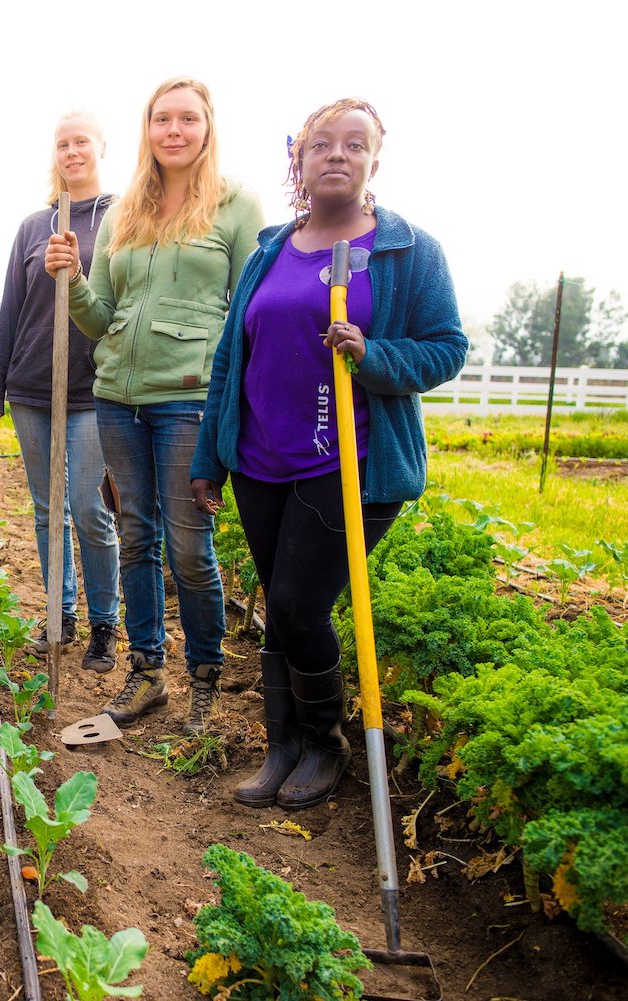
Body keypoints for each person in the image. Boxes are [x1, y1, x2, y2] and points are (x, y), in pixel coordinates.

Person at [191, 99, 467, 809]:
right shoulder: (269, 249)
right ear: (300, 160)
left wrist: (372, 354)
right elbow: (231, 357)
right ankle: (280, 743)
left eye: (354, 144)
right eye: (321, 145)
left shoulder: (408, 251)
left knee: (297, 601)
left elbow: (446, 348)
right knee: (279, 609)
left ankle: (325, 743)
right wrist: (209, 459)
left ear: (375, 159)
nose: (336, 155)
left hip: (350, 462)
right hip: (260, 460)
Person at [45, 77, 263, 733]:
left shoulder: (236, 206)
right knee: (136, 535)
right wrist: (74, 277)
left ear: (207, 126)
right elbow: (101, 316)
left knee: (190, 547)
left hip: (189, 399)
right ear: (147, 128)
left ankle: (203, 676)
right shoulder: (125, 212)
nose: (174, 130)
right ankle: (146, 673)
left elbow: (251, 312)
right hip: (117, 397)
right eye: (162, 119)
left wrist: (235, 402)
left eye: (187, 119)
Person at [0, 112, 120, 674]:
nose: (71, 151)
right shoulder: (34, 227)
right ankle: (60, 613)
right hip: (31, 384)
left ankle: (105, 623)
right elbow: (11, 309)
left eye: (81, 141)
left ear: (101, 147)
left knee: (89, 508)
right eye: (62, 144)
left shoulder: (122, 218)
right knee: (46, 510)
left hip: (93, 387)